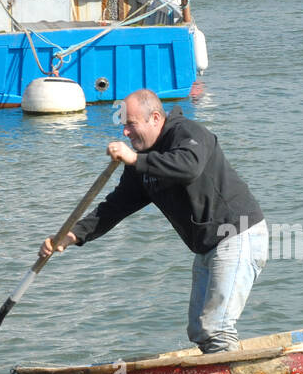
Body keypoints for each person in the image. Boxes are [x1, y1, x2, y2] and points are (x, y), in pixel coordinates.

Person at [39, 89, 269, 354]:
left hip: (238, 235)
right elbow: (114, 208)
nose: (125, 132)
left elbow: (189, 166)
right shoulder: (142, 162)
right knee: (199, 330)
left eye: (130, 124)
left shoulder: (188, 132)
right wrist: (72, 235)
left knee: (215, 327)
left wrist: (136, 159)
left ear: (155, 117)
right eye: (123, 125)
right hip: (208, 246)